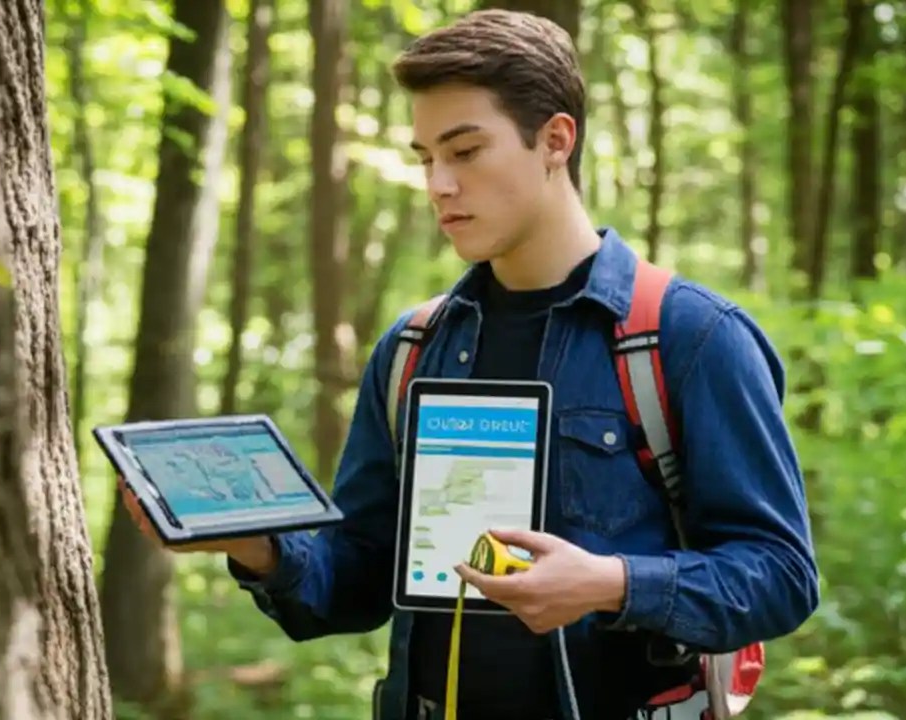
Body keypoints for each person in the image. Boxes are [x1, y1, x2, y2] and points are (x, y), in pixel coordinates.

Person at [118, 9, 819, 720]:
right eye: (426, 157)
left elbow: (782, 576)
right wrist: (258, 545)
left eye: (465, 151)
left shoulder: (690, 337)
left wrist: (610, 582)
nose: (438, 185)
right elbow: (358, 577)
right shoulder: (411, 350)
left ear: (555, 139)